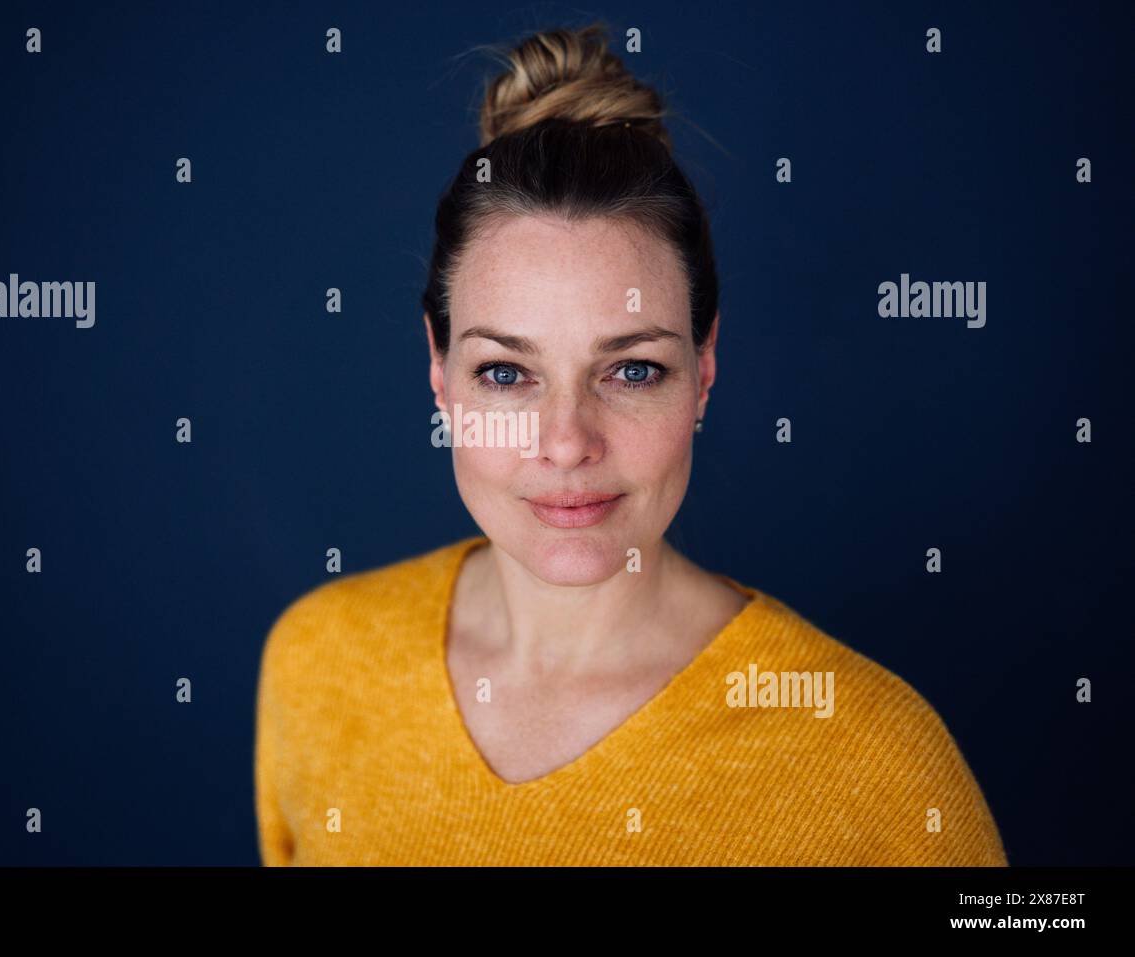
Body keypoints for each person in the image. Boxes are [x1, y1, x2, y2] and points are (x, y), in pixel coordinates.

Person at [255, 22, 1008, 866]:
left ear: (705, 367)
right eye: (506, 373)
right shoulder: (317, 662)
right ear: (438, 372)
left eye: (633, 371)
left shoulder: (879, 764)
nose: (568, 441)